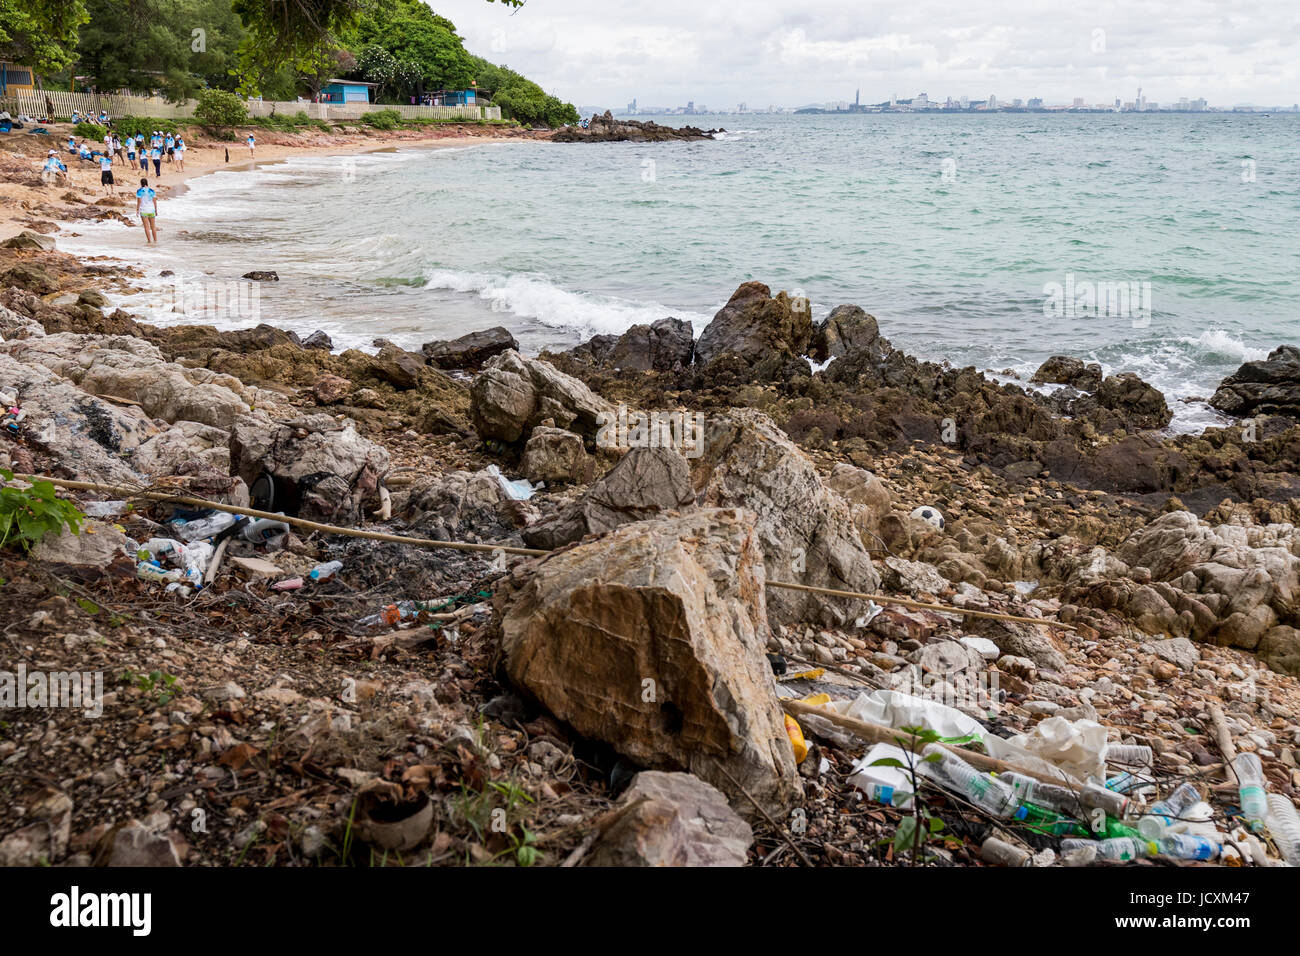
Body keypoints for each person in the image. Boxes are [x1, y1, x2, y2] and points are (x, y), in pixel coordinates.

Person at [136, 177, 158, 244]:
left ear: (141, 184)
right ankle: (155, 241)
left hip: (144, 210)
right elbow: (154, 201)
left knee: (146, 227)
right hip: (151, 210)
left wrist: (137, 210)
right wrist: (156, 210)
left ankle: (149, 241)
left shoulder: (139, 191)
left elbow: (139, 201)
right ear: (147, 183)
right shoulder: (152, 191)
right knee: (153, 227)